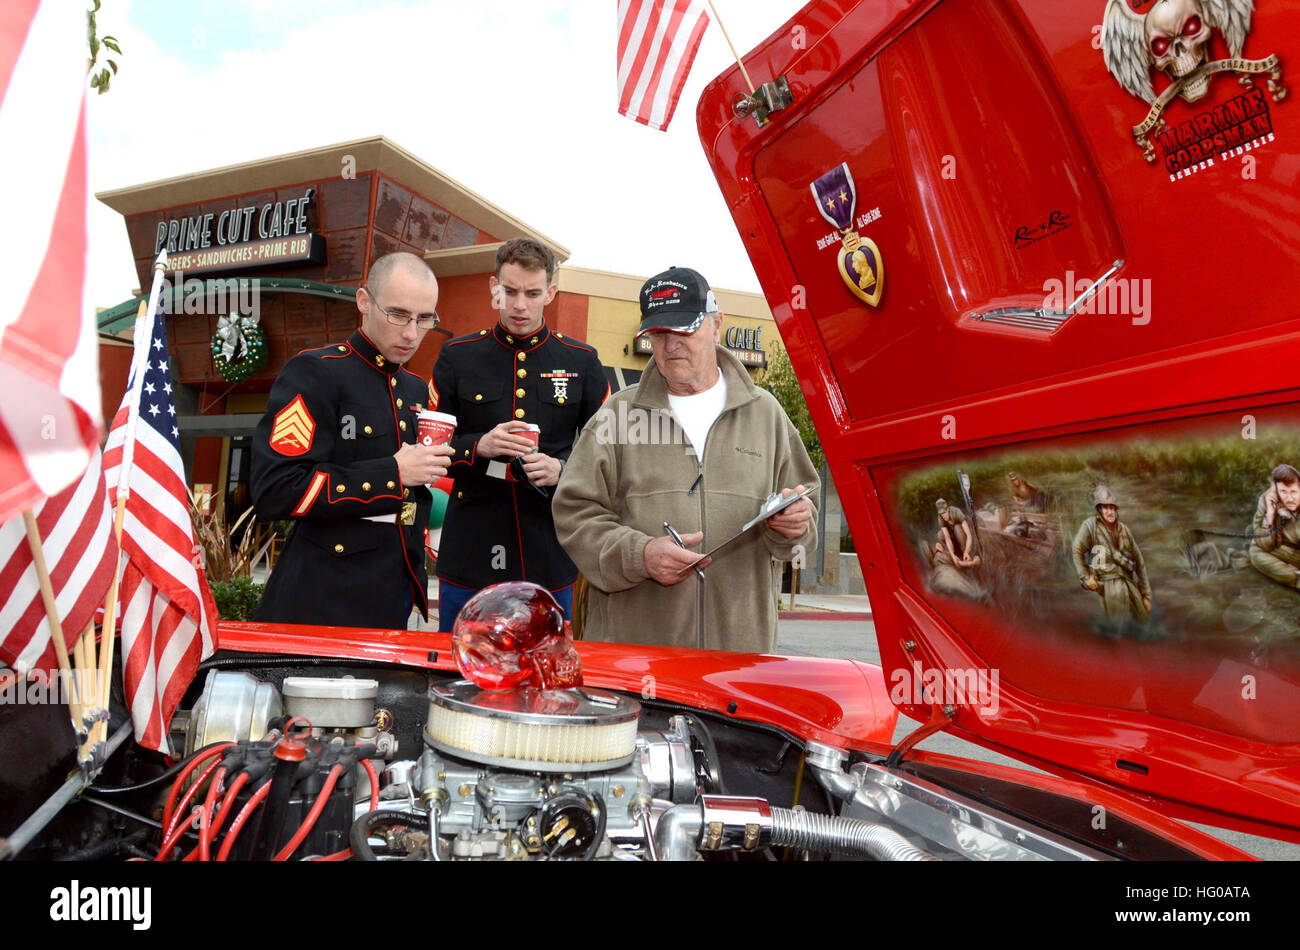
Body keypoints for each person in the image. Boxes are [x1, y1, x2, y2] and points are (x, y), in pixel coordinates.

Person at [552, 265, 818, 652]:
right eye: (659, 334)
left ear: (717, 324)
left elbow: (801, 543)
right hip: (636, 661)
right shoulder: (616, 417)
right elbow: (573, 516)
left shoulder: (767, 416)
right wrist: (640, 556)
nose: (671, 345)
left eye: (685, 329)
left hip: (739, 663)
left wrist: (794, 527)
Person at [250, 252, 453, 628]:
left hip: (392, 596)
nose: (411, 332)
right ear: (364, 302)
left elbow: (408, 502)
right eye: (397, 313)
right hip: (320, 601)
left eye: (424, 319)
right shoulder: (315, 372)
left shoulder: (414, 390)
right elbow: (276, 489)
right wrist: (393, 472)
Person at [429, 238, 608, 629]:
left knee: (546, 673)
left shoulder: (581, 361)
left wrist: (563, 470)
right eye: (509, 292)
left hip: (549, 550)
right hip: (470, 549)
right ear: (495, 288)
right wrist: (479, 446)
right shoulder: (458, 356)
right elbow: (430, 448)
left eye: (532, 293)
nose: (520, 304)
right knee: (461, 672)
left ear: (551, 292)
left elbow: (609, 454)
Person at [1070, 485, 1151, 621]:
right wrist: (1085, 577)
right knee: (1117, 626)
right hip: (1105, 585)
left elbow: (1139, 562)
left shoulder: (1124, 530)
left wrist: (1146, 595)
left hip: (1128, 583)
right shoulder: (1090, 526)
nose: (1110, 512)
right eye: (1106, 507)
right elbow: (1077, 549)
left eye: (1112, 507)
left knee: (1143, 621)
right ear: (1099, 509)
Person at [1248, 463, 1300, 591]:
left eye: (1293, 492)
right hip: (1287, 549)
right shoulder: (1267, 500)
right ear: (1276, 491)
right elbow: (1264, 544)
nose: (1289, 498)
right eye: (1283, 492)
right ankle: (1296, 579)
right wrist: (1270, 517)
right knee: (1255, 551)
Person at [936, 499, 979, 566]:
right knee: (940, 534)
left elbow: (968, 535)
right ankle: (957, 552)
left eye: (944, 513)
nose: (943, 516)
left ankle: (965, 553)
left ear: (948, 510)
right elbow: (947, 538)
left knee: (957, 528)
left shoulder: (956, 512)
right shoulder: (940, 517)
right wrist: (953, 556)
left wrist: (967, 551)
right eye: (941, 514)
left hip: (962, 533)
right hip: (954, 536)